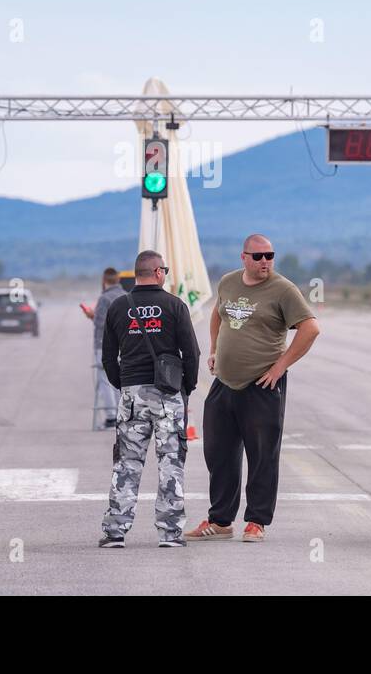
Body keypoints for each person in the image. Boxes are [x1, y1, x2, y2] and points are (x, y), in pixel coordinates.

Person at [186, 234, 319, 543]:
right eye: (258, 256)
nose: (265, 262)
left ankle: (256, 521)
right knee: (218, 453)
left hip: (262, 384)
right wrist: (215, 349)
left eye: (270, 256)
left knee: (262, 455)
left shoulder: (283, 290)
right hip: (224, 382)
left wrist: (280, 366)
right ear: (243, 257)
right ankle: (220, 521)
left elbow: (311, 328)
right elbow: (218, 313)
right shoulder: (229, 282)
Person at [99, 250, 199, 548]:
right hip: (168, 396)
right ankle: (170, 533)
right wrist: (187, 388)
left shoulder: (119, 306)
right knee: (171, 463)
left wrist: (124, 384)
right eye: (164, 270)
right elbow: (191, 353)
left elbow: (107, 357)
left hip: (131, 395)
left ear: (137, 273)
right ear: (157, 272)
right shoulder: (174, 306)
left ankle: (115, 531)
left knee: (127, 463)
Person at [86, 267, 124, 428]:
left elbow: (100, 323)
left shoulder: (104, 299)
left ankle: (110, 416)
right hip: (123, 345)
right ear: (118, 280)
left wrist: (91, 315)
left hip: (104, 345)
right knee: (118, 380)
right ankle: (120, 414)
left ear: (104, 280)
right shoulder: (126, 296)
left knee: (104, 381)